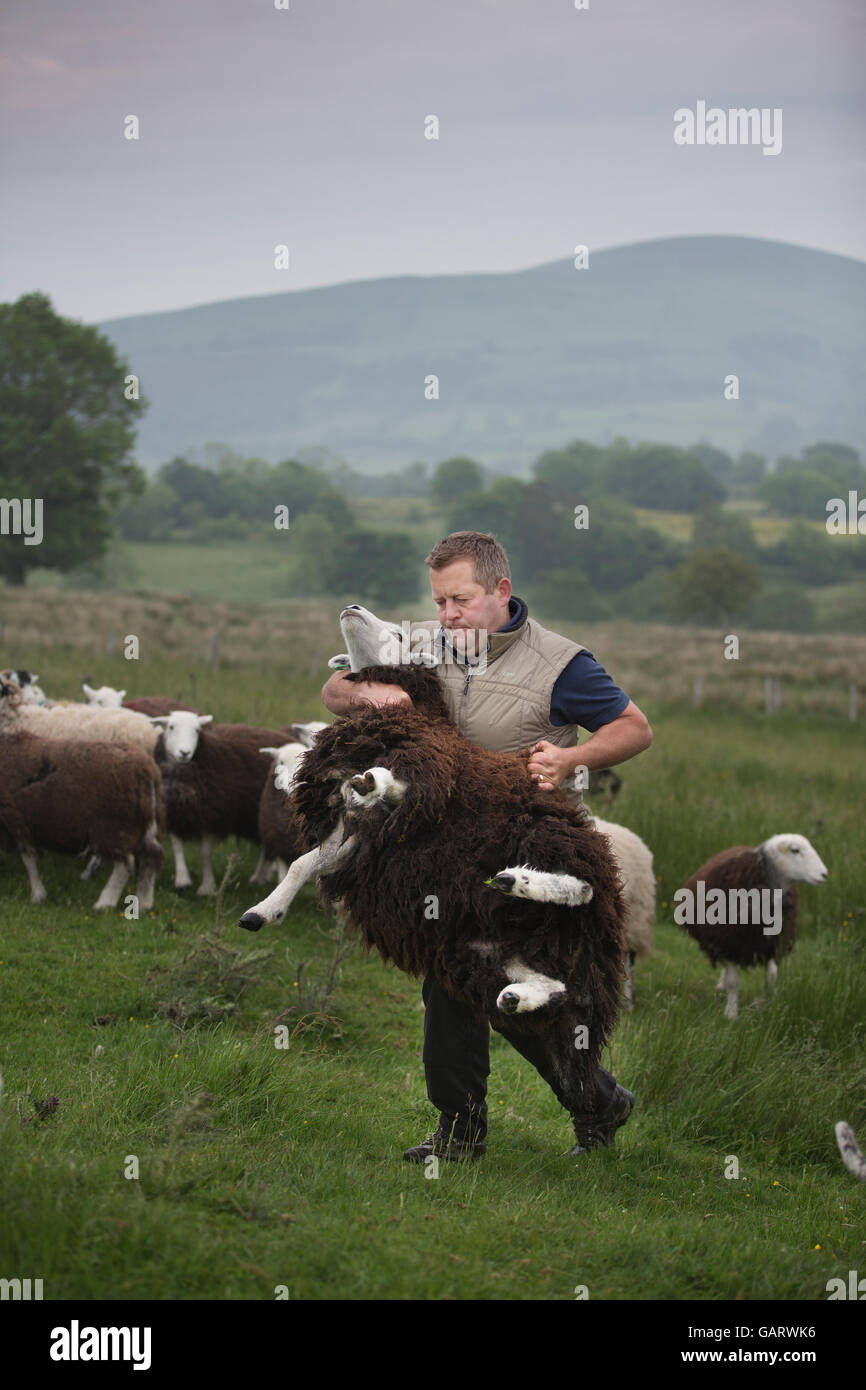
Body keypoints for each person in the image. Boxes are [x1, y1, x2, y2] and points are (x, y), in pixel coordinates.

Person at [320, 531, 652, 1161]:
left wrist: (573, 756)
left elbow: (635, 728)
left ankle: (597, 1102)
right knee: (450, 984)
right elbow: (334, 690)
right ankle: (461, 1131)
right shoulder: (422, 643)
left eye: (461, 601)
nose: (448, 616)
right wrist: (370, 694)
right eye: (440, 601)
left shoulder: (561, 663)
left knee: (511, 994)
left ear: (502, 591)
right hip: (445, 856)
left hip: (531, 856)